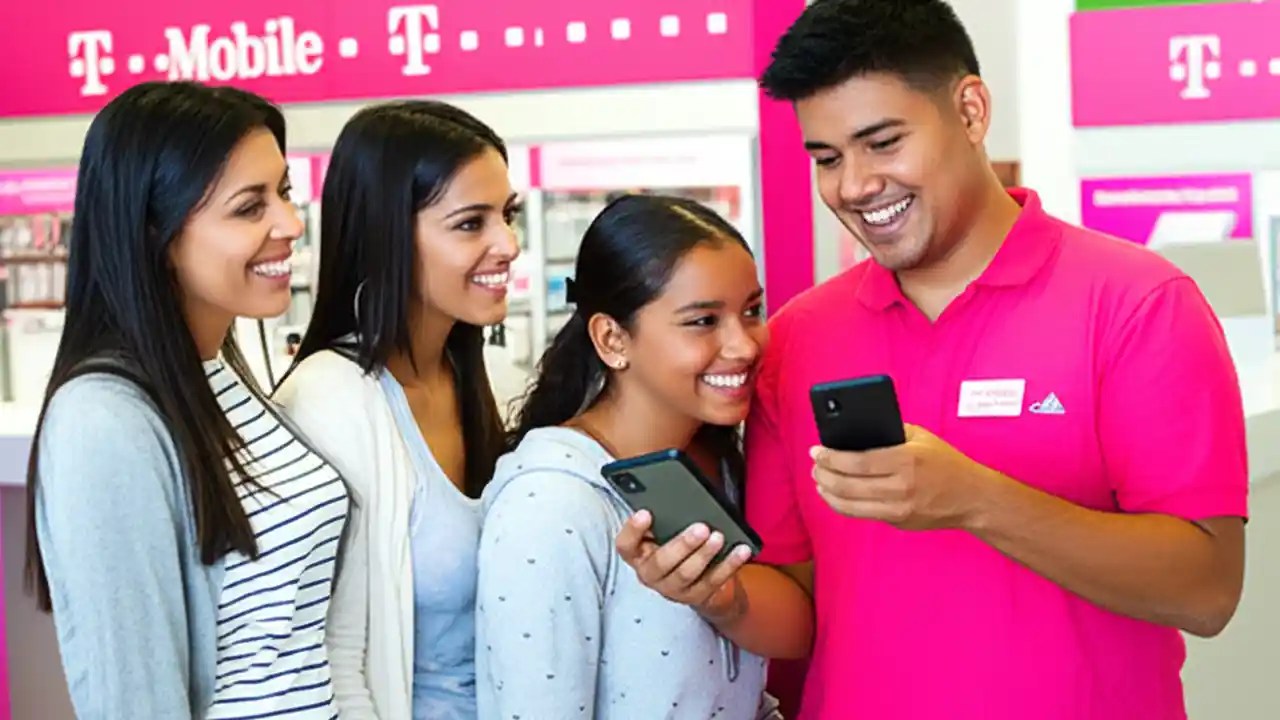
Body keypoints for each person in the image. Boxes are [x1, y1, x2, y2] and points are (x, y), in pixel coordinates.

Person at [615, 1, 1250, 719]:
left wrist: (977, 500)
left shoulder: (1138, 304)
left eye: (882, 142)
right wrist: (721, 595)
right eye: (826, 158)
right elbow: (799, 603)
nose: (853, 185)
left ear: (971, 111)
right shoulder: (796, 339)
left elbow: (1206, 591)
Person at [25, 81, 348, 718]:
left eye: (282, 193)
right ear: (159, 235)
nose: (289, 224)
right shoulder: (103, 421)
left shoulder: (220, 371)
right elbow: (134, 696)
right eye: (249, 208)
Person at [475, 194, 781, 719]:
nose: (744, 345)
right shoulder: (549, 504)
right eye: (703, 321)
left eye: (751, 311)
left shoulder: (721, 463)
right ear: (613, 338)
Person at [273, 100, 519, 719]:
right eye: (470, 224)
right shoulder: (330, 400)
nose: (508, 244)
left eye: (507, 216)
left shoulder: (477, 374)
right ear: (386, 234)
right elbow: (328, 658)